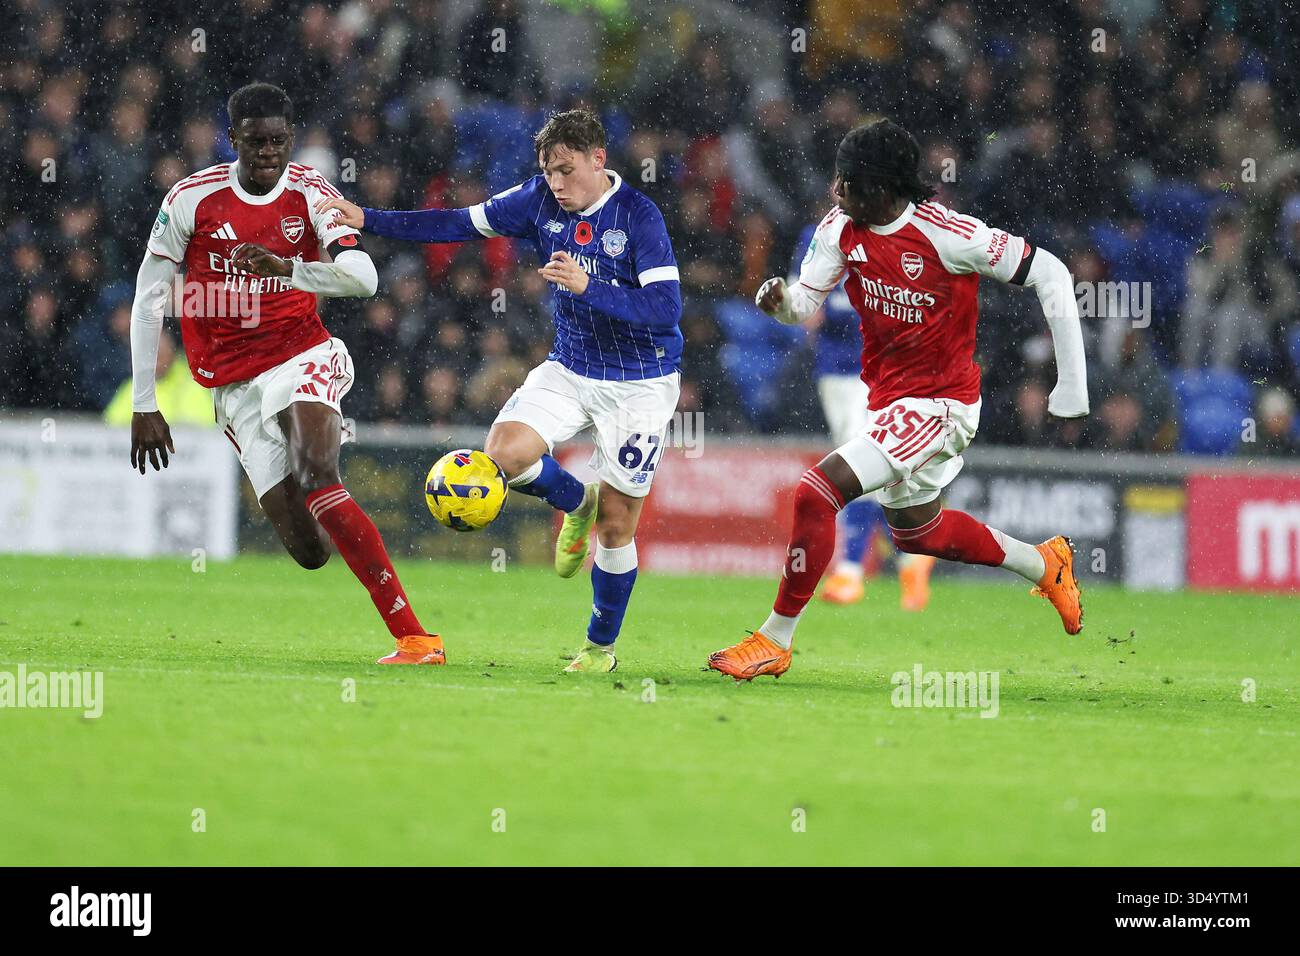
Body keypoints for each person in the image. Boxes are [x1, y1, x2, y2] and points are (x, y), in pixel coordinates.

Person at [707, 119, 1089, 682]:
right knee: (920, 532)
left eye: (849, 183)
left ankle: (774, 639)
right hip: (890, 402)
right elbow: (804, 304)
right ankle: (1045, 563)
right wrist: (780, 302)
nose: (837, 193)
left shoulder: (951, 235)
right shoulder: (840, 228)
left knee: (816, 494)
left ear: (884, 189)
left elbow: (1052, 272)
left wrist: (1071, 386)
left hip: (940, 407)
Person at [317, 109, 682, 674]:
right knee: (504, 455)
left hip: (641, 382)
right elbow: (455, 223)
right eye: (549, 171)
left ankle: (599, 648)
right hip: (571, 367)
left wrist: (590, 286)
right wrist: (366, 216)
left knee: (617, 527)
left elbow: (666, 310)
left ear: (598, 159)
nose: (557, 183)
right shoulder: (538, 200)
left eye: (566, 170)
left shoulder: (638, 216)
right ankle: (573, 500)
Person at [129, 82, 443, 666]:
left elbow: (365, 278)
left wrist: (292, 270)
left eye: (279, 140)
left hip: (302, 354)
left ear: (291, 139)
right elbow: (150, 295)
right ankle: (316, 463)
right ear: (234, 141)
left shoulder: (311, 194)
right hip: (233, 385)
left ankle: (416, 638)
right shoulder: (191, 200)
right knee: (309, 550)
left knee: (317, 471)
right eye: (256, 142)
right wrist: (145, 402)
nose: (269, 152)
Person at [787, 222, 937, 611]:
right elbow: (802, 305)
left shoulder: (891, 235)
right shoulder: (817, 236)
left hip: (876, 369)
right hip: (834, 370)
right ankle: (912, 556)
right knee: (871, 469)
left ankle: (852, 570)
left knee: (860, 466)